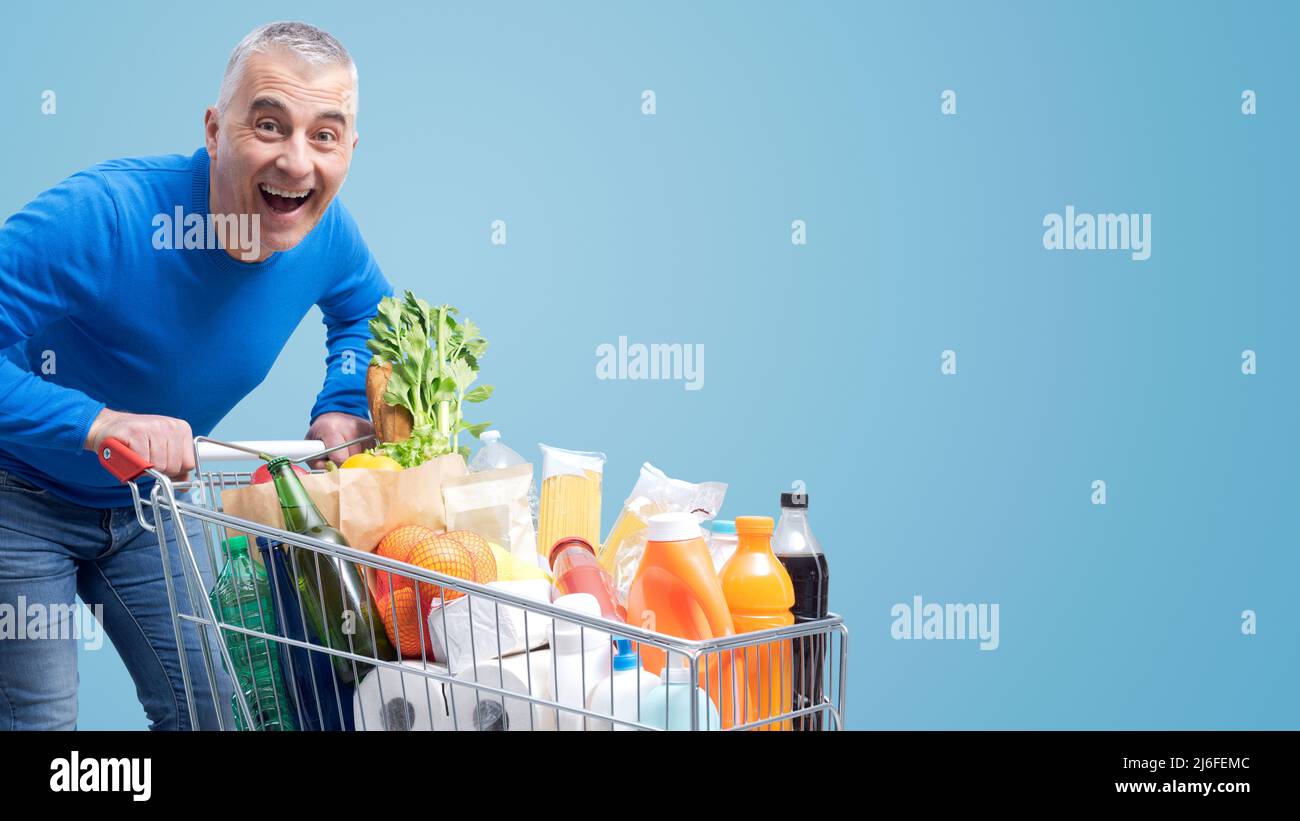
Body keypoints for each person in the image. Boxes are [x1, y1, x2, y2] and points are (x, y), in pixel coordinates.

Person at [0, 21, 389, 730]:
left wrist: (339, 399)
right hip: (16, 497)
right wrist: (99, 423)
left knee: (217, 714)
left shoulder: (327, 236)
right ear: (214, 129)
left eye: (324, 135)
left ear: (348, 149)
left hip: (146, 507)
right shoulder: (103, 217)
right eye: (268, 126)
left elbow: (366, 315)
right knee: (43, 724)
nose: (296, 163)